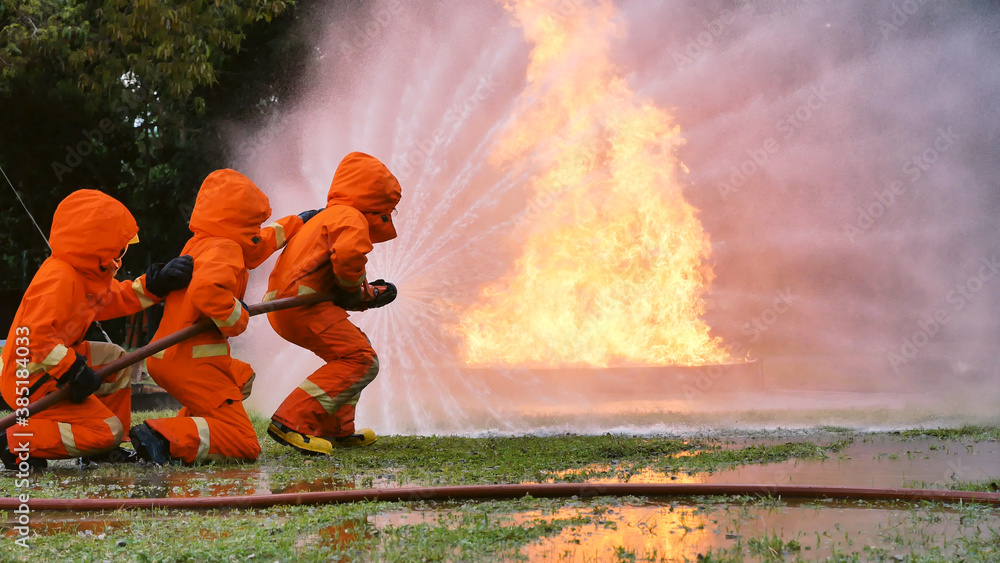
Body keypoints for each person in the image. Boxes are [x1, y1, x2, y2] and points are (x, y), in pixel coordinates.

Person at [0, 190, 193, 469]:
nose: (121, 256)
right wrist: (72, 370)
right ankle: (16, 441)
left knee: (114, 358)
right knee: (106, 431)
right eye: (120, 247)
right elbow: (35, 336)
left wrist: (156, 285)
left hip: (42, 370)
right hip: (31, 380)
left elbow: (114, 297)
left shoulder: (82, 274)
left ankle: (105, 451)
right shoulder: (60, 278)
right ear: (98, 244)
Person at [128, 169, 310, 465]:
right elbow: (207, 291)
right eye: (254, 222)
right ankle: (162, 436)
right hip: (192, 361)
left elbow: (256, 246)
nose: (257, 229)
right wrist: (239, 317)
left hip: (169, 358)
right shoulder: (226, 249)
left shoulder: (205, 242)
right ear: (239, 221)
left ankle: (185, 426)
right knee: (243, 442)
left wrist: (297, 221)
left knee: (239, 378)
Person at [265, 151, 400, 455]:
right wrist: (359, 294)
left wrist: (368, 296)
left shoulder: (330, 216)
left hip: (291, 305)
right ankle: (293, 421)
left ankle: (334, 429)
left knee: (351, 355)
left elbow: (336, 278)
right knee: (361, 360)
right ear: (375, 197)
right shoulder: (350, 217)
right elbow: (349, 261)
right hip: (303, 306)